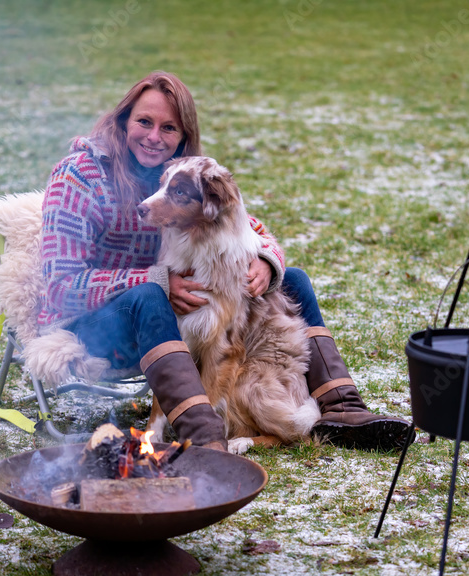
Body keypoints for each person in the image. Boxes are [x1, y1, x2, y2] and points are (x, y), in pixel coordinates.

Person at [38, 71, 411, 451]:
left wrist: (267, 261)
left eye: (169, 128)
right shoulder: (79, 176)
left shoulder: (175, 173)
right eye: (144, 122)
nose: (154, 137)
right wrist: (160, 281)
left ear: (183, 137)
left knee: (291, 279)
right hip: (89, 324)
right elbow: (59, 286)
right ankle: (204, 435)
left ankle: (343, 409)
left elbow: (247, 231)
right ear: (123, 121)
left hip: (162, 319)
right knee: (149, 295)